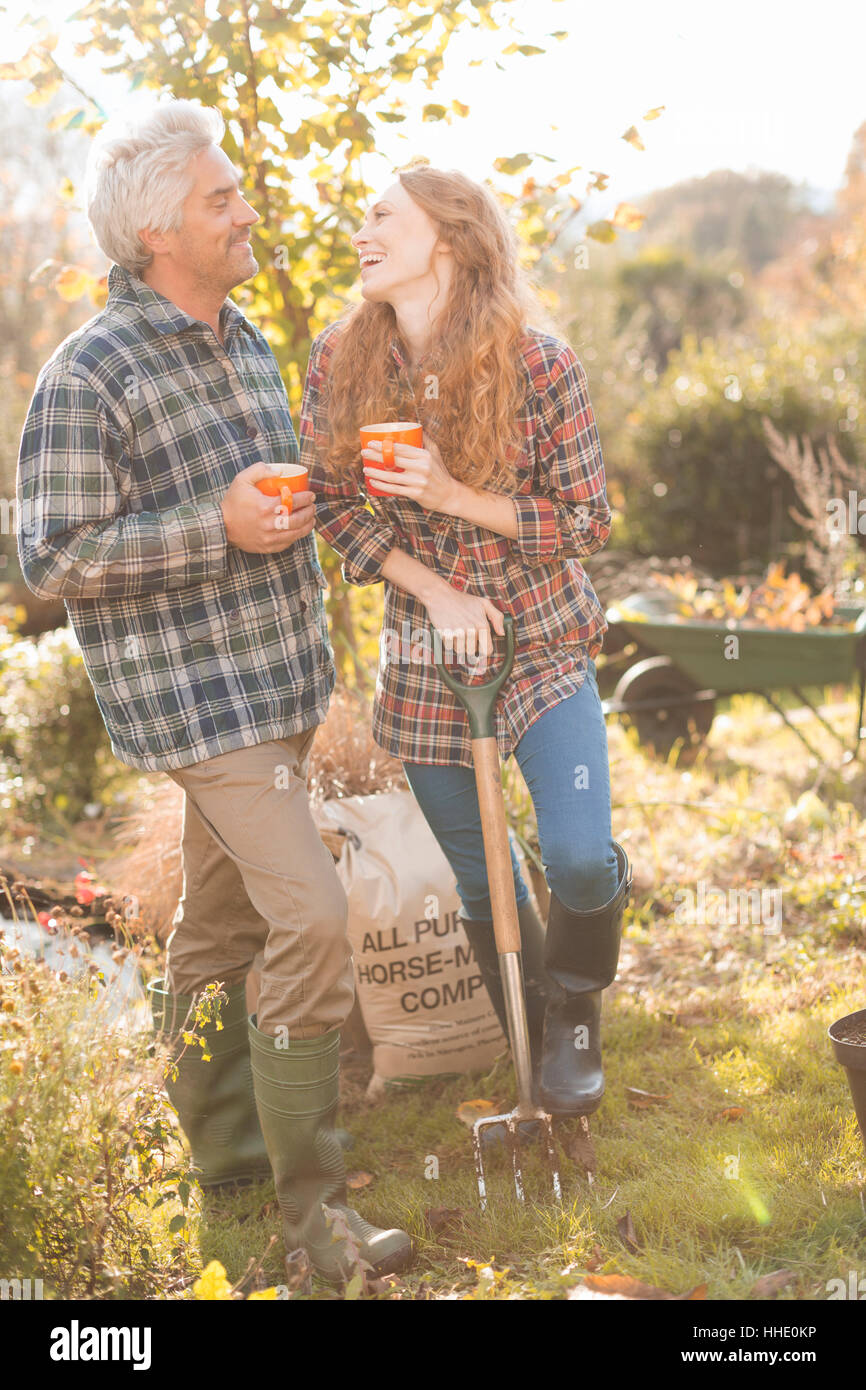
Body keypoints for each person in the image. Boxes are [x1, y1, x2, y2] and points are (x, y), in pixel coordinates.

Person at [15, 97, 410, 1281]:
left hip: (278, 681)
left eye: (237, 191)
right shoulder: (86, 374)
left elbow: (260, 495)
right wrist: (216, 526)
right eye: (219, 198)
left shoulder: (240, 336)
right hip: (199, 706)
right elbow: (54, 554)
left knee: (224, 925)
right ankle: (314, 1219)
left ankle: (227, 1163)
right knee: (313, 918)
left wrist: (302, 496)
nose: (246, 211)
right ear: (155, 237)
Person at [302, 166, 632, 1116]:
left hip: (541, 643)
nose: (359, 230)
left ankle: (576, 1003)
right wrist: (436, 590)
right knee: (484, 878)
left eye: (381, 216)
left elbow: (583, 520)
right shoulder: (342, 361)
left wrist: (449, 495)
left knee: (575, 860)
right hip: (425, 657)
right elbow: (331, 504)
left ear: (448, 238)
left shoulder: (539, 364)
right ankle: (537, 1049)